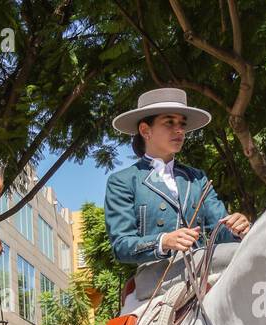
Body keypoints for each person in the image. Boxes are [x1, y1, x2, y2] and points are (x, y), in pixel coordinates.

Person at [104, 88, 250, 311]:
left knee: (252, 253)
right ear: (145, 130)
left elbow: (220, 230)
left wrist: (238, 228)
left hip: (205, 268)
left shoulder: (197, 177)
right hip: (156, 275)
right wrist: (164, 241)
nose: (179, 130)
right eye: (169, 122)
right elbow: (121, 245)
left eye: (182, 123)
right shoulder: (123, 181)